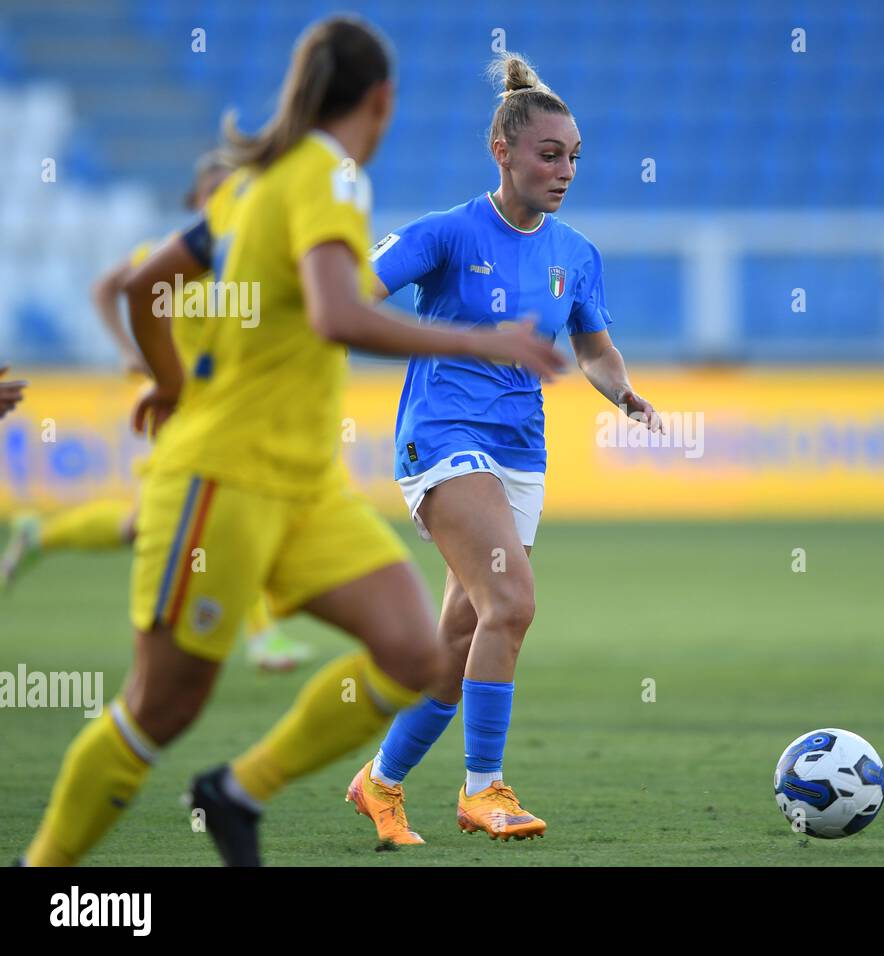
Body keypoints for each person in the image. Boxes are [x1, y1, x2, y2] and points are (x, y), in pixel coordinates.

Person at [18, 15, 563, 867]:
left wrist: (163, 379)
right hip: (224, 478)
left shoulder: (254, 180)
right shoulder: (331, 176)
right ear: (379, 101)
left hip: (305, 487)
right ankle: (44, 871)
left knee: (416, 653)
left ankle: (238, 792)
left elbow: (146, 283)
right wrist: (480, 340)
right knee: (160, 707)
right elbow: (335, 313)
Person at [344, 51, 662, 845]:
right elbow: (351, 299)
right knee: (512, 603)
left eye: (574, 158)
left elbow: (593, 347)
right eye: (550, 155)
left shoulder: (575, 254)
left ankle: (379, 783)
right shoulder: (446, 234)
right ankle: (484, 789)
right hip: (443, 441)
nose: (565, 171)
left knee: (460, 642)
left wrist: (619, 388)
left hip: (520, 452)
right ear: (504, 152)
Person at [1, 154, 309, 670]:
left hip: (226, 409)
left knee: (143, 525)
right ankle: (262, 635)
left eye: (231, 192)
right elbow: (109, 288)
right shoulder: (168, 257)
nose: (222, 203)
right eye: (213, 193)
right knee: (229, 508)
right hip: (180, 409)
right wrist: (128, 350)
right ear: (195, 202)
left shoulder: (246, 262)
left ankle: (39, 533)